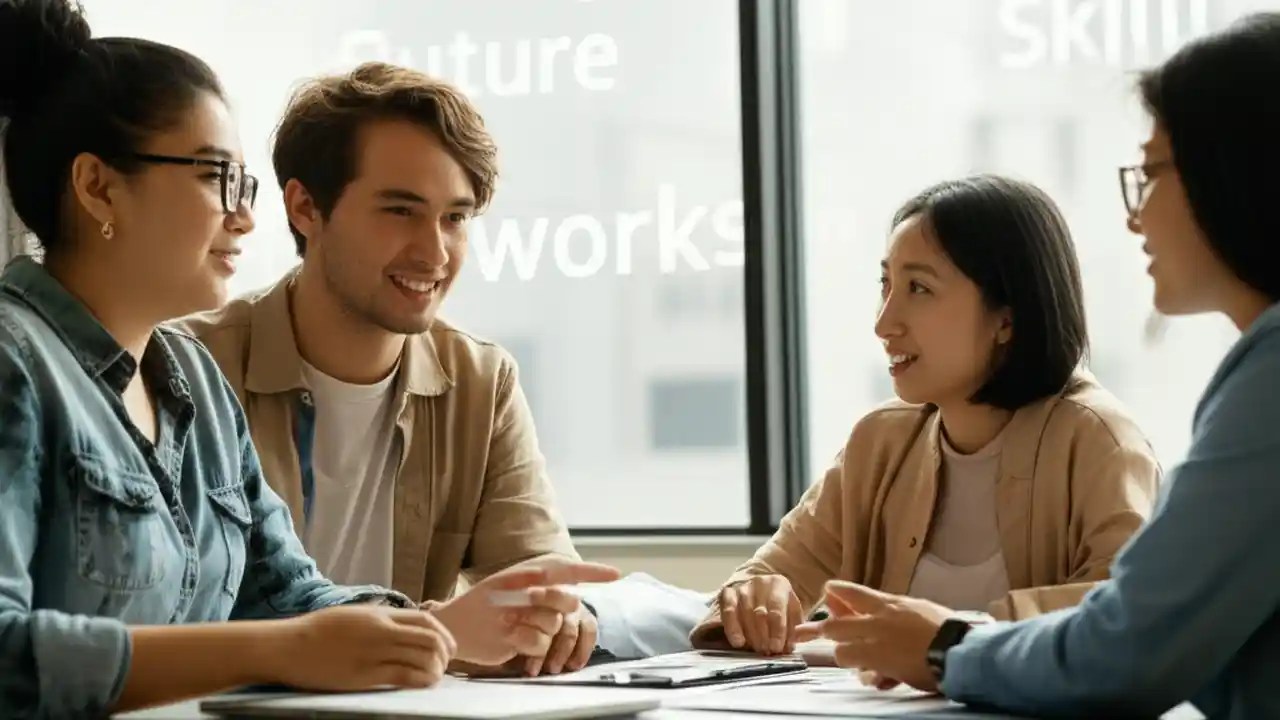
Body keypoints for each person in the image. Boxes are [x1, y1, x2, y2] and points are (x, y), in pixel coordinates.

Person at [0, 1, 617, 715]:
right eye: (213, 178)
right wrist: (276, 650)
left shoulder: (188, 378)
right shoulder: (16, 362)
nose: (243, 216)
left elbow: (288, 596)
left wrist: (437, 629)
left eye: (243, 183)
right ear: (98, 186)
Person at [802, 12, 1280, 719]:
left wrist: (945, 647)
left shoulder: (1254, 388)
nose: (1135, 216)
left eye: (1150, 175)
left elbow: (1128, 643)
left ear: (1232, 170)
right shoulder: (880, 440)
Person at [177, 61, 610, 677]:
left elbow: (538, 580)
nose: (434, 252)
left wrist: (556, 619)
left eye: (455, 218)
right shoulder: (188, 367)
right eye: (400, 211)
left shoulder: (482, 382)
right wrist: (434, 630)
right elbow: (168, 622)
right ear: (304, 207)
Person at [690, 175, 1161, 657]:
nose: (883, 323)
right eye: (886, 284)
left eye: (918, 288)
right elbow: (766, 575)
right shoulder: (880, 442)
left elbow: (1127, 615)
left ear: (1007, 318)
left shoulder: (1099, 440)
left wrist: (951, 638)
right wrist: (755, 600)